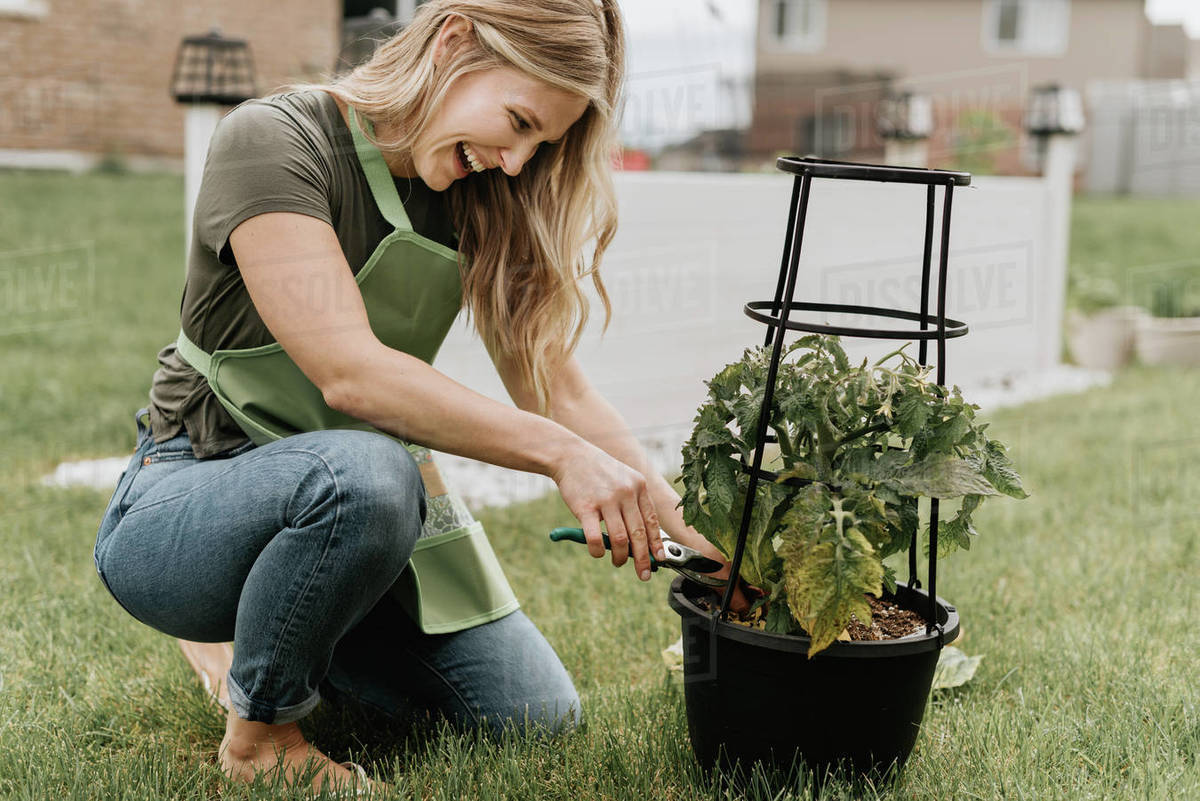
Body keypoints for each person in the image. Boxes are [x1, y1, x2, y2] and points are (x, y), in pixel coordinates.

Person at [92, 0, 744, 795]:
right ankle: (261, 733)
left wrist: (701, 542)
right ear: (455, 39)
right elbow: (351, 374)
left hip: (357, 513)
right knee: (368, 474)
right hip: (192, 497)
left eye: (541, 143)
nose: (516, 161)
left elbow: (556, 388)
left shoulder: (481, 193)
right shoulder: (273, 142)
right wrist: (561, 457)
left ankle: (283, 631)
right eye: (518, 120)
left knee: (533, 714)